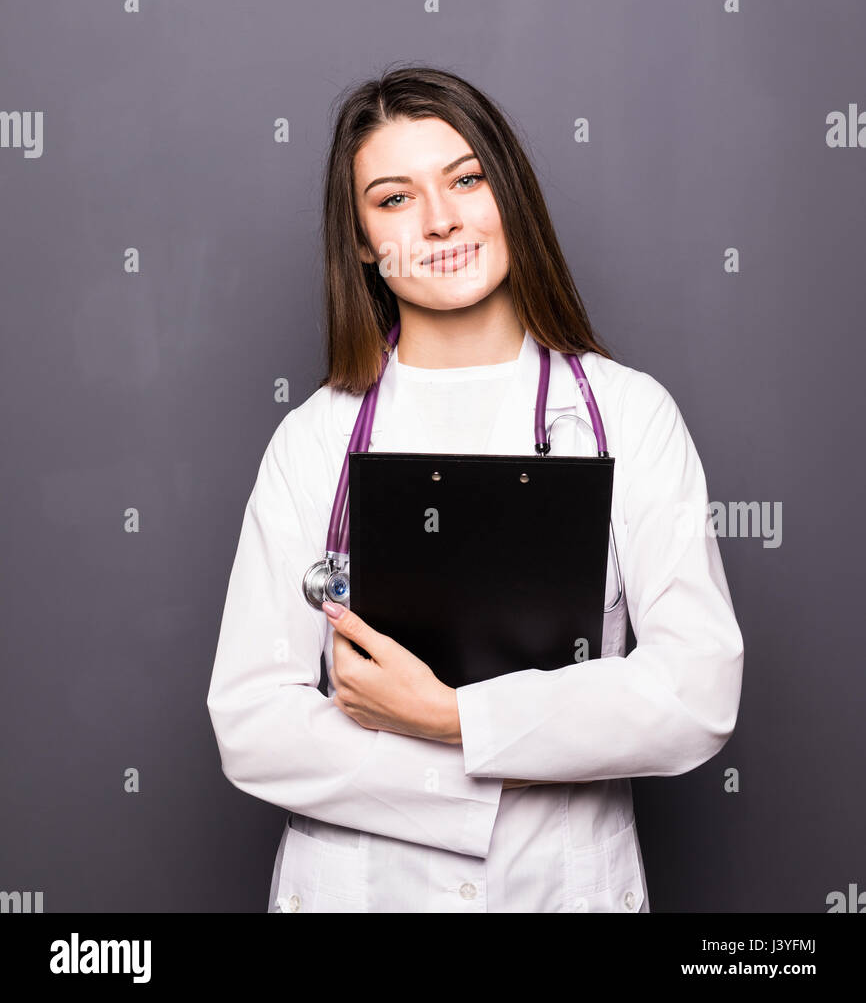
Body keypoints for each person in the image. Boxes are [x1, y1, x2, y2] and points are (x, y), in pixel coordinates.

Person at [206, 65, 744, 914]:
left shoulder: (627, 414)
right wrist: (493, 772)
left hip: (560, 889)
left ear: (510, 195)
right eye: (393, 199)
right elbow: (253, 724)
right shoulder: (313, 438)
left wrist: (453, 718)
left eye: (466, 179)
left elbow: (696, 691)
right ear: (358, 242)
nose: (440, 219)